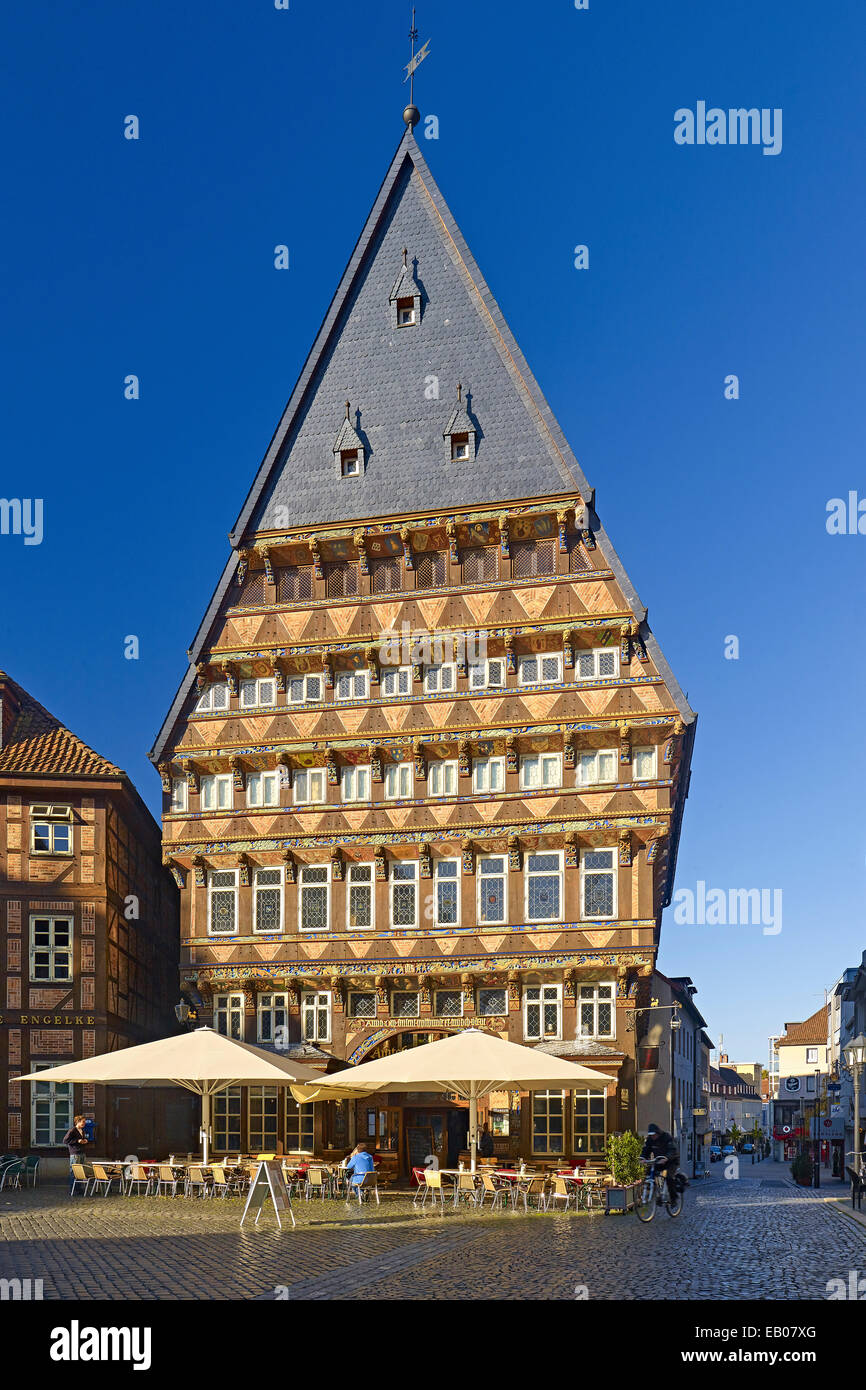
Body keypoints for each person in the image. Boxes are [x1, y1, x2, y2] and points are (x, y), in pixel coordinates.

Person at [641, 1123, 680, 1205]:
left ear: (658, 1133)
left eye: (654, 1135)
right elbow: (646, 1149)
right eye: (651, 1135)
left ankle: (674, 1198)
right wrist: (643, 1158)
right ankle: (657, 1194)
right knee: (649, 1173)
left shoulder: (666, 1137)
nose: (653, 1137)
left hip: (671, 1161)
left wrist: (666, 1158)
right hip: (659, 1161)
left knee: (669, 1177)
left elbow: (672, 1150)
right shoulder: (650, 1140)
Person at [62, 1114, 90, 1192]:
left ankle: (79, 1189)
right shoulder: (72, 1130)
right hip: (75, 1154)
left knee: (81, 1172)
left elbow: (81, 1140)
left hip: (82, 1153)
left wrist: (84, 1141)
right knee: (74, 1172)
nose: (84, 1123)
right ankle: (73, 1189)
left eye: (84, 1122)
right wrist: (77, 1141)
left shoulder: (82, 1131)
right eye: (83, 1122)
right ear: (78, 1122)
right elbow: (65, 1141)